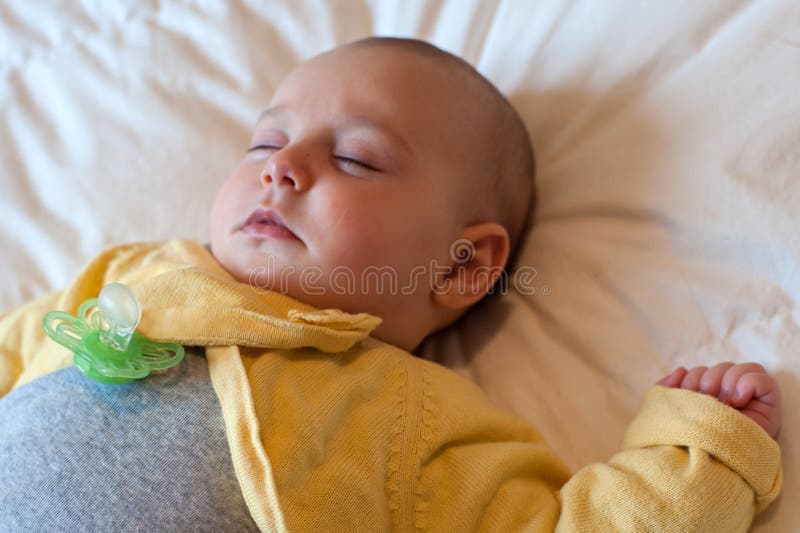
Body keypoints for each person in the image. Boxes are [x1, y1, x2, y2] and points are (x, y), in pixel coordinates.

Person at [0, 37, 782, 532]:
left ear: (461, 265)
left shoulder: (404, 418)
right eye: (265, 141)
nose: (281, 166)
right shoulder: (133, 273)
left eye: (355, 159)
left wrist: (699, 453)